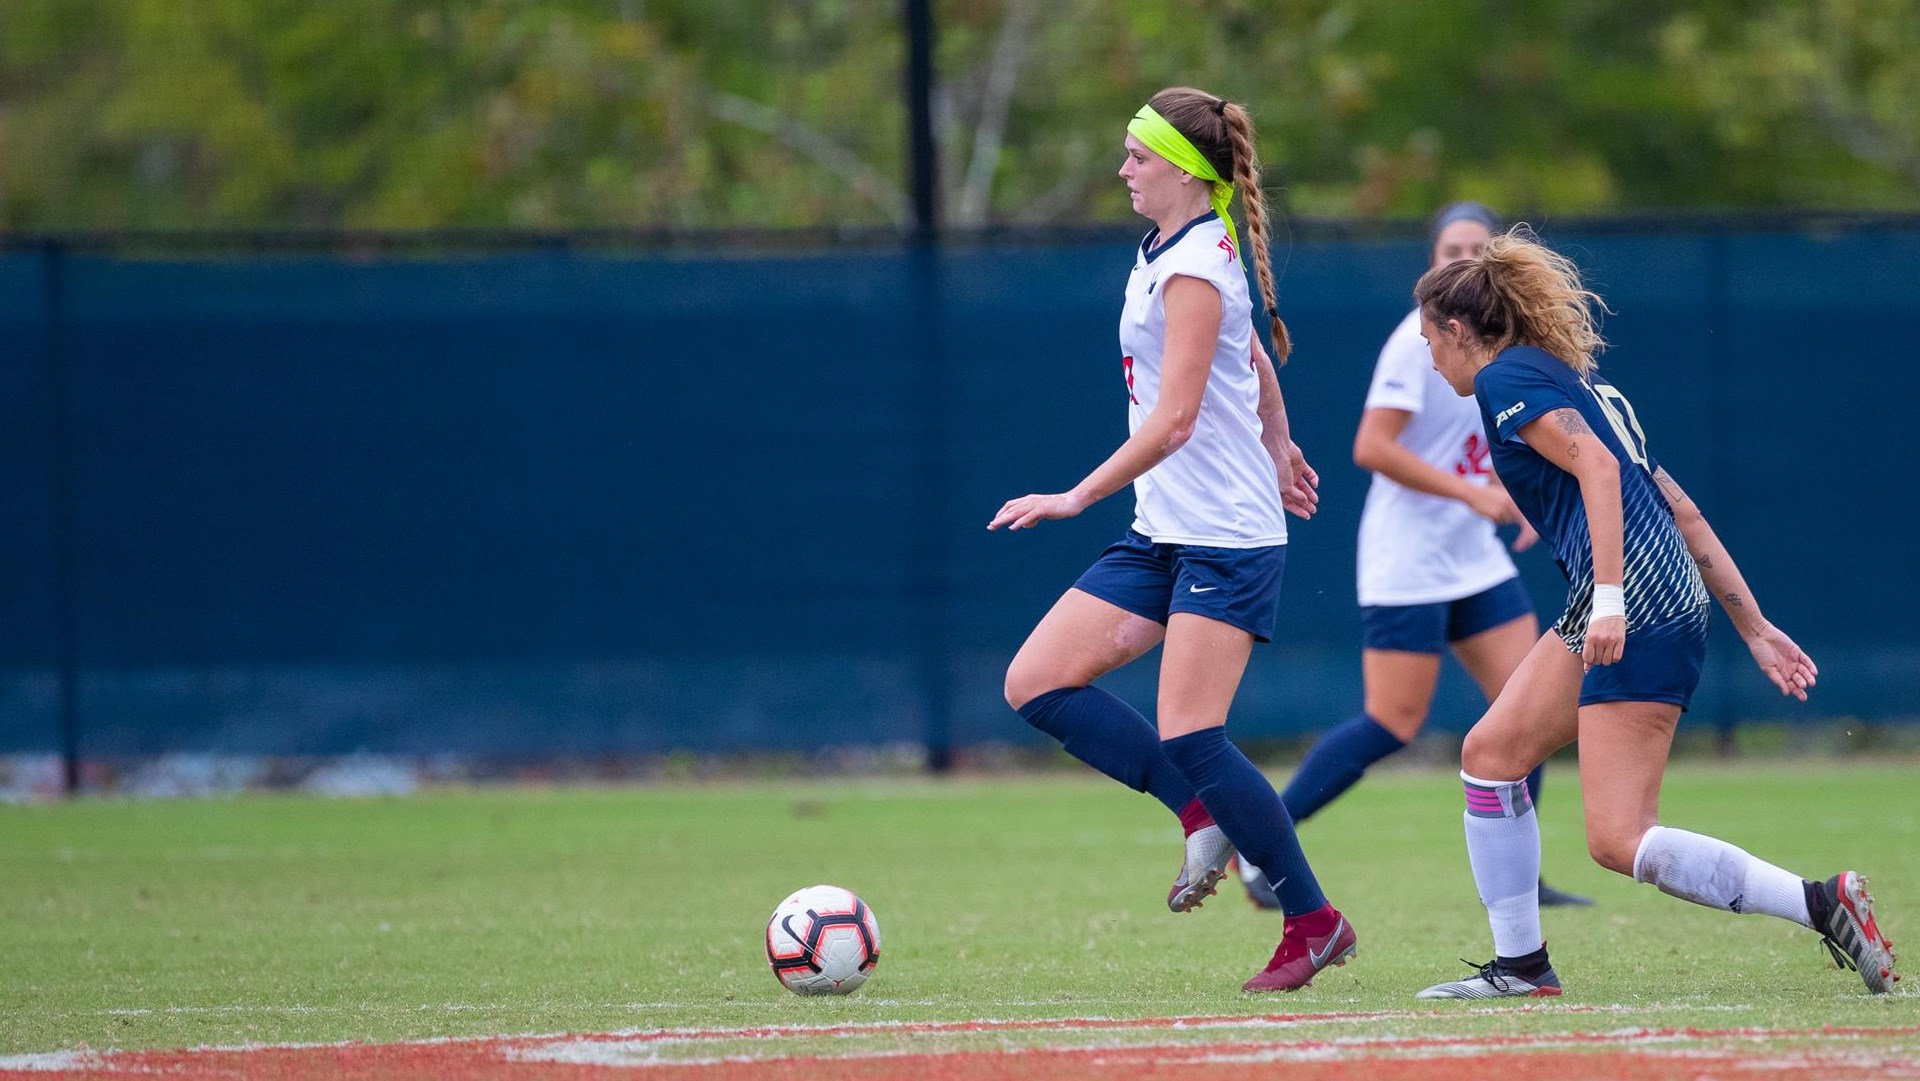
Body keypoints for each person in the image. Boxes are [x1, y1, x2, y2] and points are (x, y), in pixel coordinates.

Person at [1408, 231, 1899, 999]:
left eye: (1429, 338)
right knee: (1492, 752)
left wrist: (1610, 598)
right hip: (1638, 594)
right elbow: (1686, 512)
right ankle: (1522, 967)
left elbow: (1598, 470)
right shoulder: (1580, 384)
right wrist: (1756, 626)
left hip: (1632, 601)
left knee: (1617, 836)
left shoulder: (1509, 379)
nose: (1430, 357)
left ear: (1460, 331)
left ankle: (1820, 901)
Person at [990, 86, 1354, 993]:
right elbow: (1255, 358)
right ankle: (1201, 811)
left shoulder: (1196, 263)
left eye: (1137, 157)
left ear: (1185, 171)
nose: (1123, 170)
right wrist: (1277, 437)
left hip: (1225, 540)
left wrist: (1075, 495)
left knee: (1193, 728)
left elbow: (1177, 418)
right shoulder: (1164, 250)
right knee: (1035, 681)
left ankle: (1312, 919)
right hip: (1166, 532)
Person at [1236, 204, 1592, 911]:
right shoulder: (1417, 340)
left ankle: (1524, 874)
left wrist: (1510, 493)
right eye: (1448, 247)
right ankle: (1259, 846)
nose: (1459, 257)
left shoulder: (1498, 343)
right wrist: (1476, 494)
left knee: (1530, 705)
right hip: (1408, 560)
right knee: (1393, 720)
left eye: (1474, 247)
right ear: (1430, 259)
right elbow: (1372, 447)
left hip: (1473, 559)